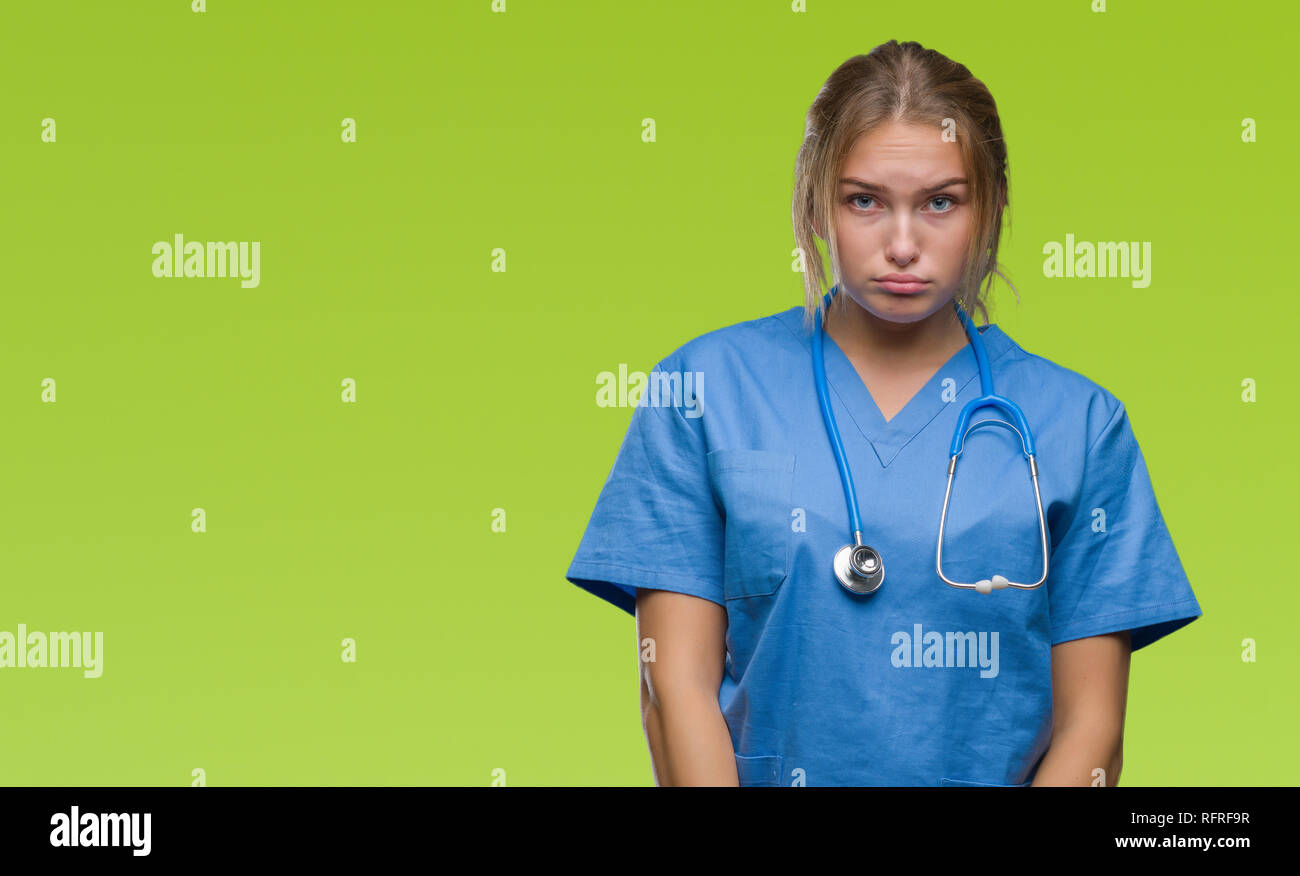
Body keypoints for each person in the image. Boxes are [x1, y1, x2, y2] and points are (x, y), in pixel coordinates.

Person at [564, 40, 1201, 787]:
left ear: (990, 205)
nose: (903, 246)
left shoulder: (1082, 425)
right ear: (814, 202)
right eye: (863, 199)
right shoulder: (703, 391)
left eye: (941, 201)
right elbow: (673, 691)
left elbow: (1093, 730)